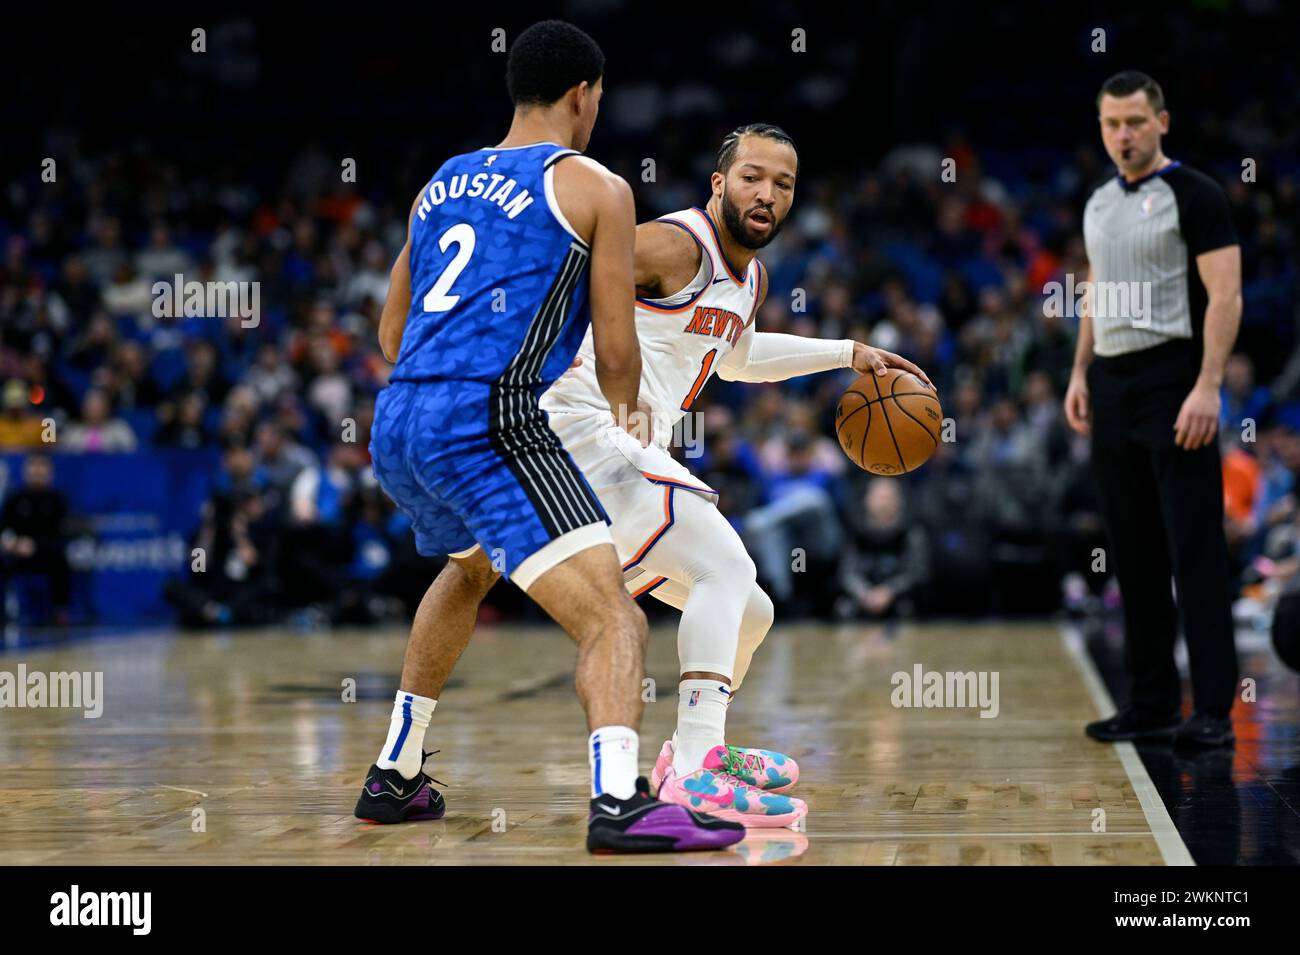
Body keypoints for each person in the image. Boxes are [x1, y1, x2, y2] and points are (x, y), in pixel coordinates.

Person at [354, 20, 743, 853]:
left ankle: (395, 771)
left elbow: (390, 332)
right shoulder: (597, 186)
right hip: (489, 420)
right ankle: (619, 803)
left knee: (468, 571)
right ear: (583, 95)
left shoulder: (441, 182)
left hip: (398, 420)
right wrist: (632, 417)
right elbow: (613, 346)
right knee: (615, 619)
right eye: (599, 100)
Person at [541, 123, 931, 825]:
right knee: (726, 563)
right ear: (720, 184)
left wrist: (849, 352)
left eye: (782, 183)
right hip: (587, 432)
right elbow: (568, 274)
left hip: (630, 450)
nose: (767, 193)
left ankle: (690, 757)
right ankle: (695, 768)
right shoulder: (676, 243)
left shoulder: (750, 277)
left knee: (752, 609)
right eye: (752, 176)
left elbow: (740, 357)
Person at [1063, 71, 1243, 748]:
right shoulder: (1099, 201)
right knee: (1132, 550)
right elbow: (1097, 289)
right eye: (1112, 123)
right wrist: (1080, 369)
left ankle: (1215, 710)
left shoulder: (1196, 195)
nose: (1123, 134)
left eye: (1135, 121)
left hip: (1175, 375)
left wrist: (1208, 384)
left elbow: (1225, 296)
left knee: (1193, 547)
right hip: (1111, 379)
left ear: (1162, 121)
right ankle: (1151, 701)